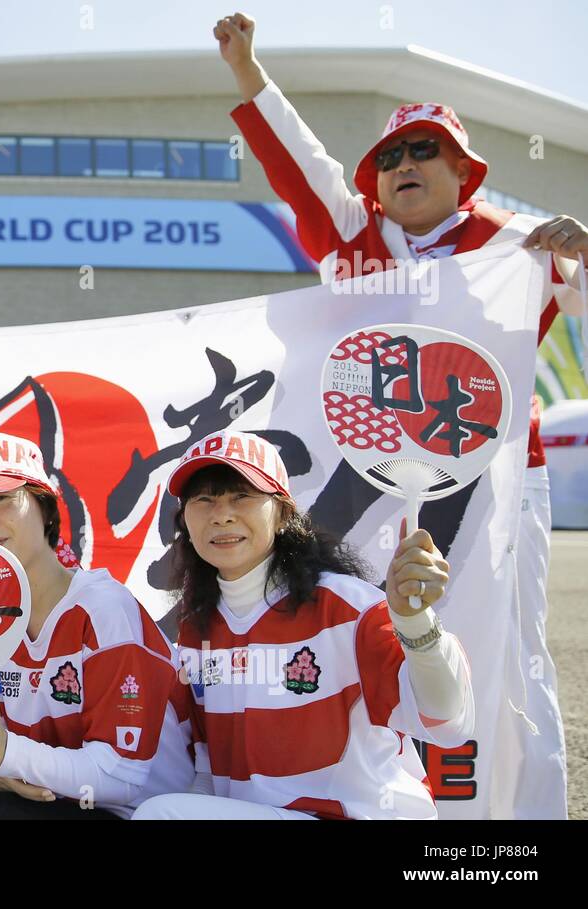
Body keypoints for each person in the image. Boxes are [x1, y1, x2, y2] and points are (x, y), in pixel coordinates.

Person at [214, 11, 585, 818]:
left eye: (425, 150)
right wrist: (248, 67)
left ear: (465, 173)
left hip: (491, 483)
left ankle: (504, 824)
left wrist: (583, 257)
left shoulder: (518, 247)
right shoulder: (352, 236)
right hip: (364, 476)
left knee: (496, 652)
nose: (403, 165)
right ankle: (358, 790)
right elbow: (295, 161)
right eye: (389, 156)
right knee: (342, 620)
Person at [131, 430, 474, 820]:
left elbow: (449, 721)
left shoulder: (350, 609)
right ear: (185, 522)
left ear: (283, 515)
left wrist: (415, 622)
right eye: (203, 499)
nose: (221, 514)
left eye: (242, 496)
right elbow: (207, 775)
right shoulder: (196, 631)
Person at [0, 431, 195, 820]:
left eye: (0, 499)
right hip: (62, 798)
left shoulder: (104, 608)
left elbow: (122, 777)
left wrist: (6, 757)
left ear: (45, 509)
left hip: (136, 809)